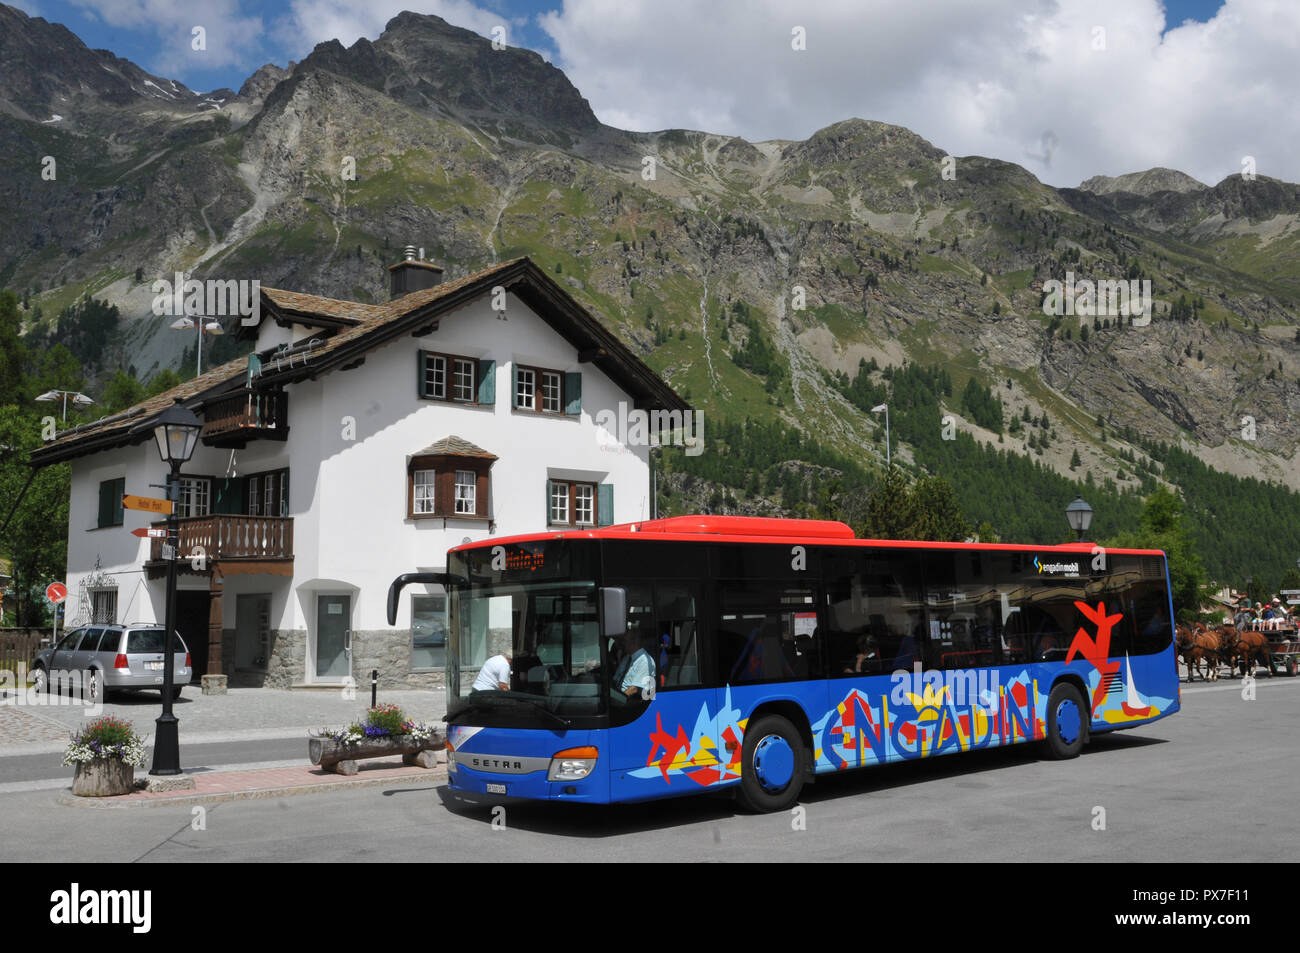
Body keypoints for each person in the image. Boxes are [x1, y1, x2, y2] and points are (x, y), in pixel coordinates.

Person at [612, 629, 656, 700]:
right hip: (619, 694)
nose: (623, 644)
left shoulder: (645, 661)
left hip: (631, 700)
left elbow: (634, 689)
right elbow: (615, 680)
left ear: (634, 643)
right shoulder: (627, 658)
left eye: (625, 641)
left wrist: (618, 699)